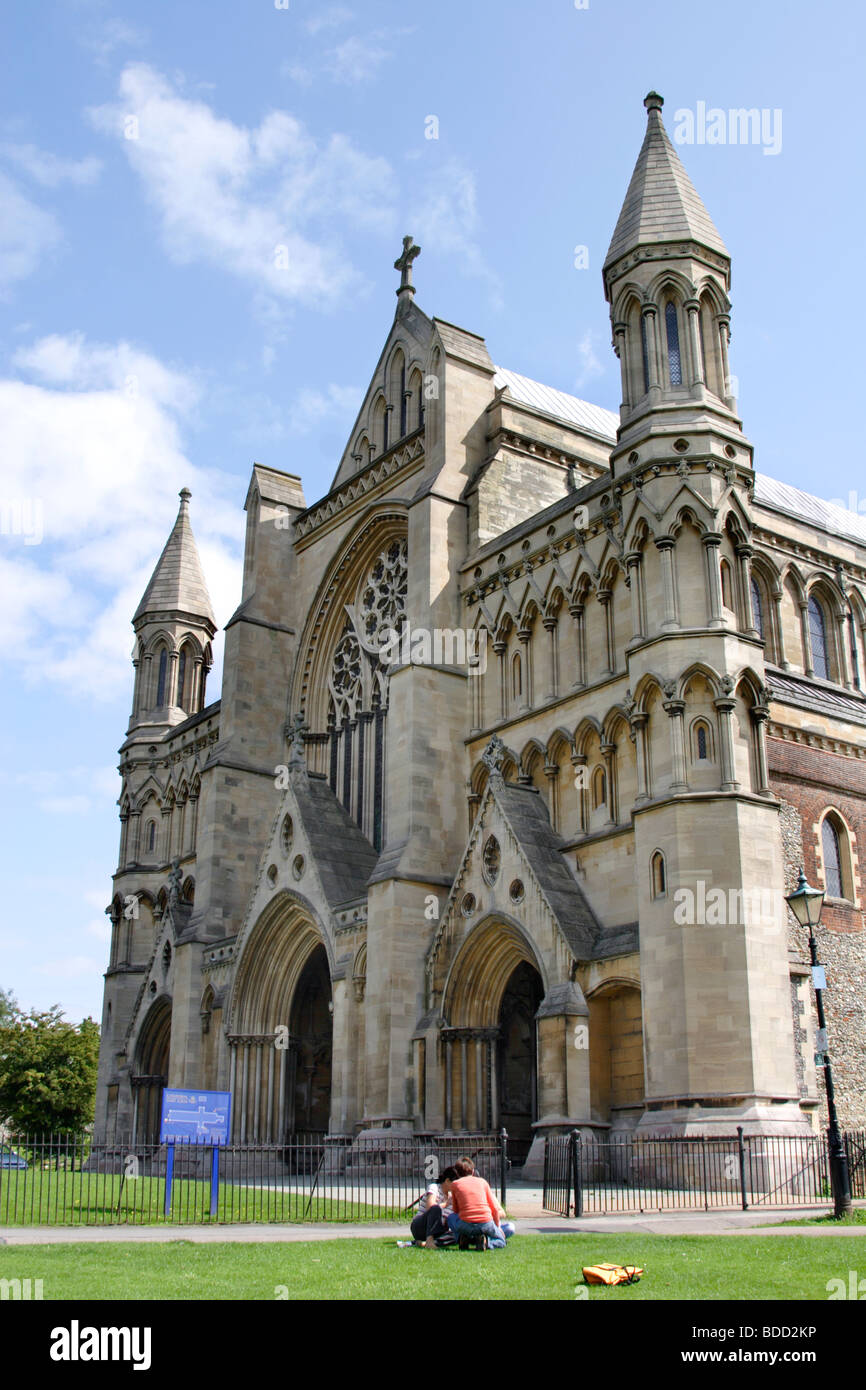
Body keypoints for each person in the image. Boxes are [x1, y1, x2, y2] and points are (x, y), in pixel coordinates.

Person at [446, 1157, 510, 1251]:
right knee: (501, 1241)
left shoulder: (455, 1185)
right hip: (485, 1222)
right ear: (472, 1171)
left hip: (465, 1224)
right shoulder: (483, 1182)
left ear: (457, 1173)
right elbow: (495, 1209)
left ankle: (462, 1239)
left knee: (451, 1218)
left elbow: (456, 1210)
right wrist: (497, 1227)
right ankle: (487, 1243)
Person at [409, 1165, 458, 1248]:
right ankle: (429, 1240)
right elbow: (430, 1207)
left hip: (437, 1229)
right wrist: (446, 1204)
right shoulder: (434, 1187)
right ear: (447, 1181)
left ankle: (428, 1243)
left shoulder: (451, 1196)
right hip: (421, 1226)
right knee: (435, 1209)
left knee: (457, 1235)